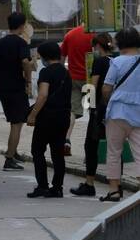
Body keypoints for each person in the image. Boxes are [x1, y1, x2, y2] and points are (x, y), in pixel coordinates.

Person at [99, 26, 140, 203]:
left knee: (114, 152)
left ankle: (114, 191)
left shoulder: (116, 62)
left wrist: (110, 101)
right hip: (138, 113)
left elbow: (106, 88)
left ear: (120, 43)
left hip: (117, 113)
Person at [26, 41, 72, 198]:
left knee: (37, 150)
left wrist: (33, 115)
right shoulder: (66, 72)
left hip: (47, 117)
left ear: (45, 56)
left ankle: (43, 186)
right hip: (63, 117)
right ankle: (57, 187)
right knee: (57, 153)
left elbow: (43, 94)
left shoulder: (46, 72)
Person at [71, 33, 114, 197]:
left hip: (99, 111)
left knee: (91, 146)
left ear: (97, 46)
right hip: (113, 109)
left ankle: (89, 183)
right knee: (114, 146)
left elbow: (92, 85)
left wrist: (88, 105)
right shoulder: (115, 61)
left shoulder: (99, 61)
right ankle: (115, 184)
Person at [0, 11, 35, 170]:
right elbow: (26, 62)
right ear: (22, 26)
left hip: (1, 88)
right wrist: (28, 81)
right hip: (16, 87)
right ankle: (9, 159)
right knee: (17, 123)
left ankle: (13, 151)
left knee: (13, 120)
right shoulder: (21, 43)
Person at [60, 23, 93, 155]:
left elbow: (62, 58)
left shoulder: (70, 34)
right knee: (92, 110)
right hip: (91, 80)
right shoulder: (95, 35)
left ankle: (66, 139)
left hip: (73, 79)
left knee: (72, 111)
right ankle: (92, 141)